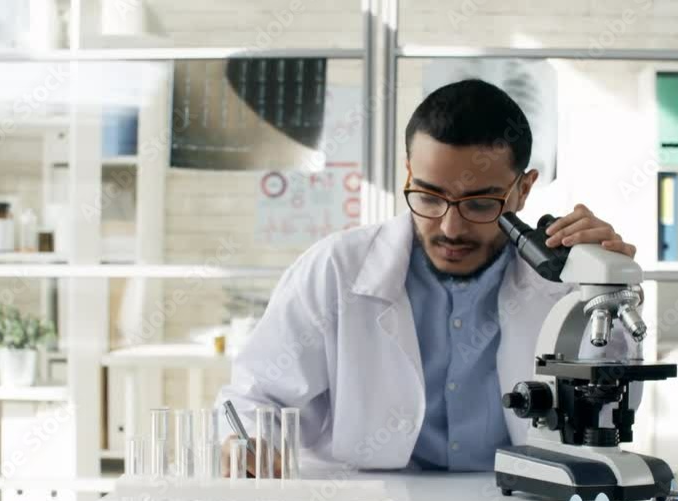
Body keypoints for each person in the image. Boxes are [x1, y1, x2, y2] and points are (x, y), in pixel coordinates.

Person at [216, 78, 638, 476]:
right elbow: (255, 398)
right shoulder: (336, 269)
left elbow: (610, 404)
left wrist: (604, 285)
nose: (450, 228)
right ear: (407, 174)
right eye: (429, 196)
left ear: (523, 190)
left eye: (478, 204)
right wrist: (250, 439)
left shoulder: (561, 276)